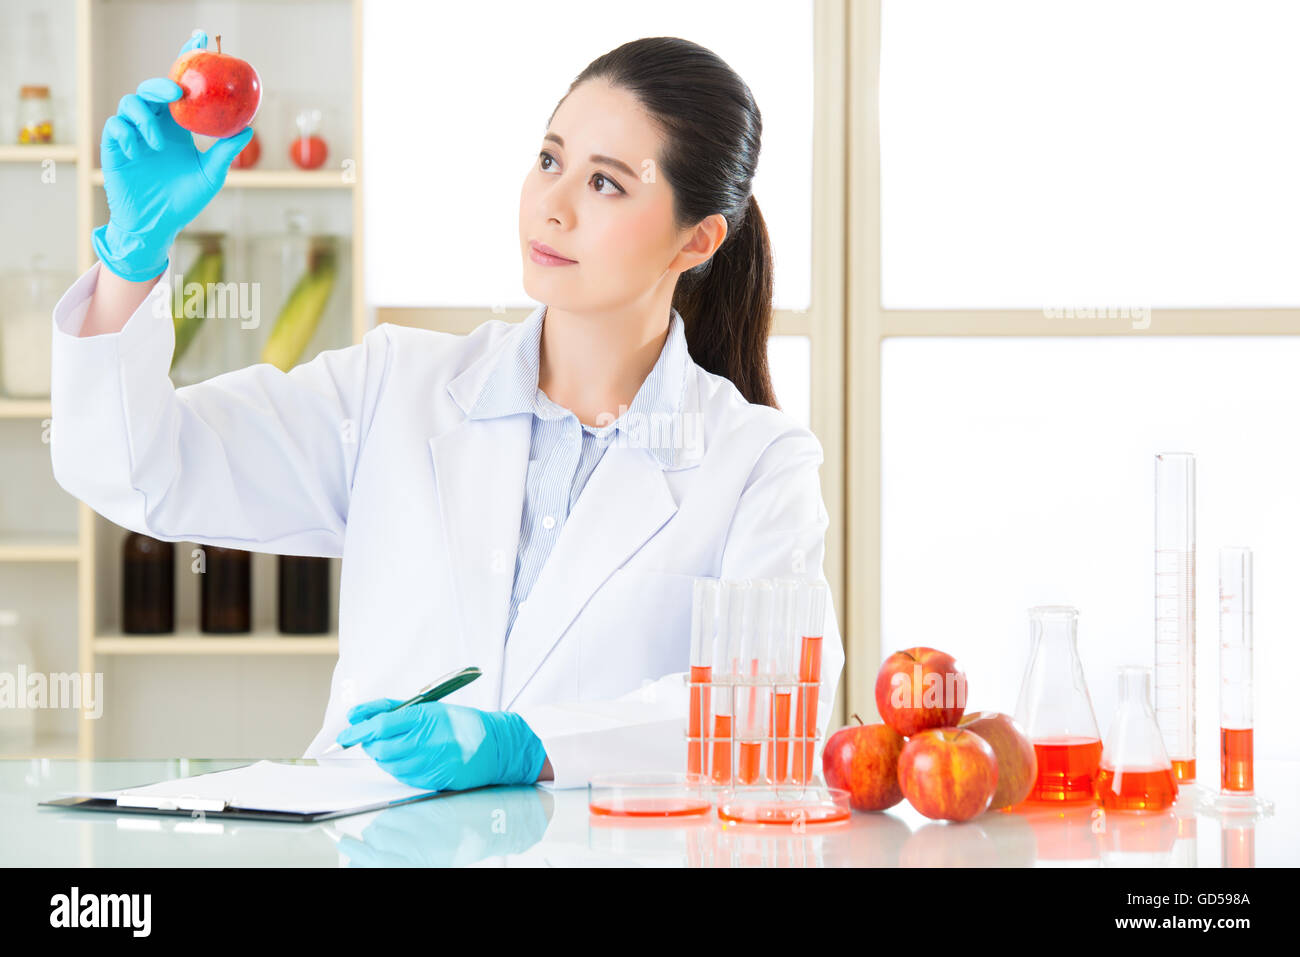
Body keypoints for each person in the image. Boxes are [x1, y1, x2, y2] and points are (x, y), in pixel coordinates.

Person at [49, 31, 844, 789]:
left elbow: (779, 712)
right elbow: (139, 470)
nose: (552, 207)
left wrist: (528, 747)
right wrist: (134, 255)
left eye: (605, 182)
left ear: (697, 241)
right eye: (549, 160)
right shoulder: (395, 387)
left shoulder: (757, 463)